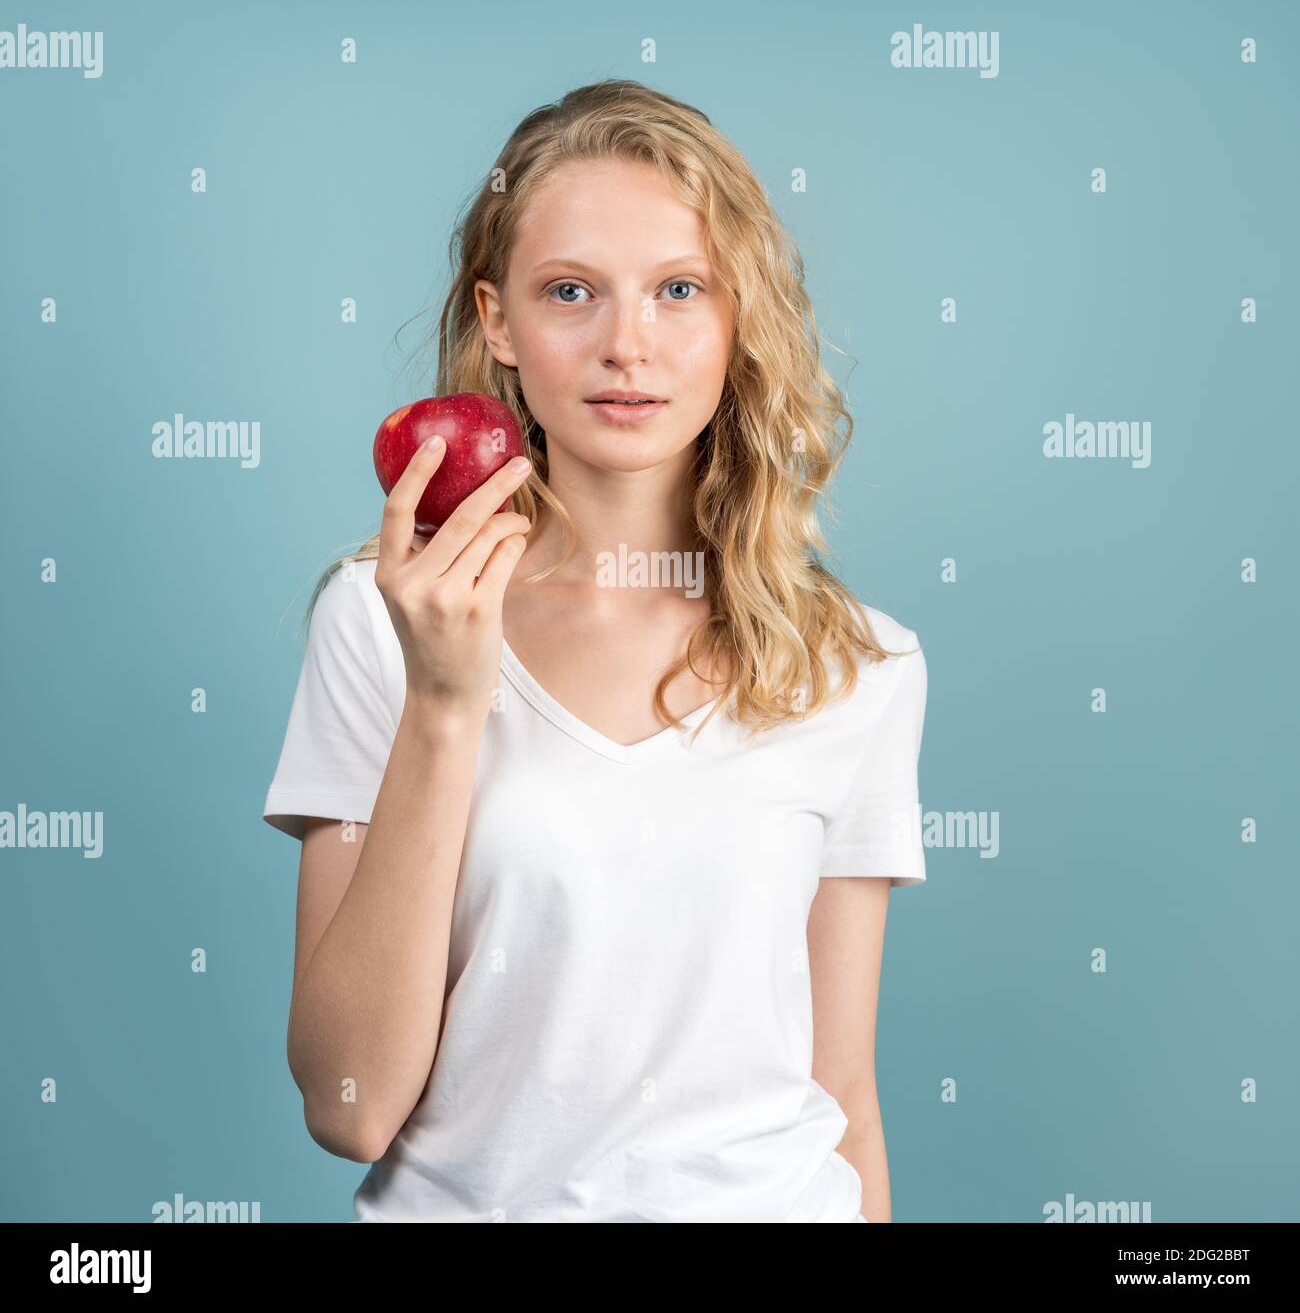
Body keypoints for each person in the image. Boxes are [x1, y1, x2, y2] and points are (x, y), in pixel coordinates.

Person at [262, 78, 928, 1224]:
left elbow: (841, 1090)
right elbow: (348, 1105)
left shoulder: (856, 665)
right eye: (571, 290)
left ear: (736, 322)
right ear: (501, 323)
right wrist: (443, 704)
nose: (628, 343)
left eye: (679, 290)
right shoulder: (382, 615)